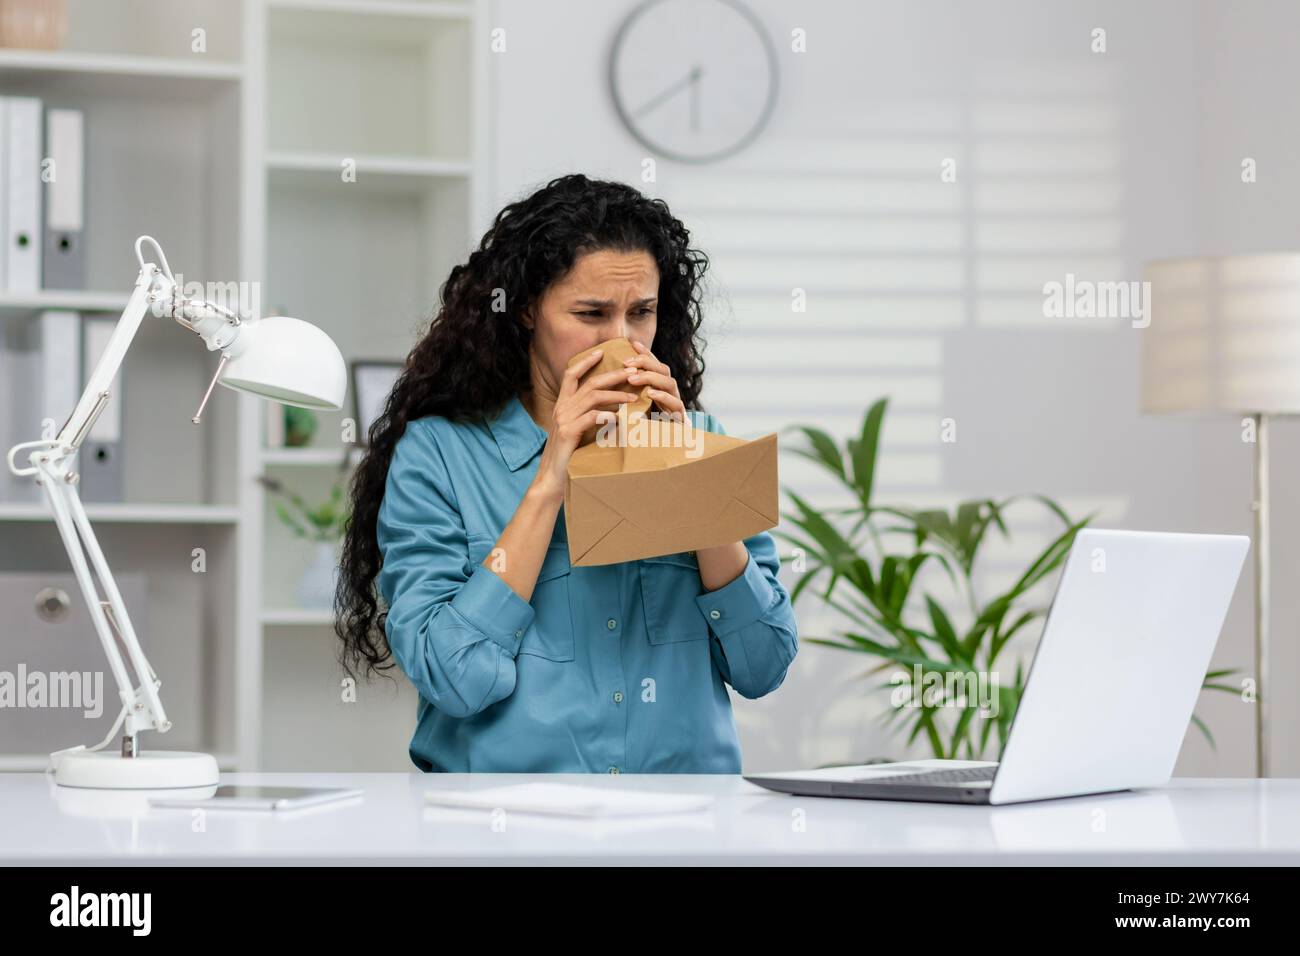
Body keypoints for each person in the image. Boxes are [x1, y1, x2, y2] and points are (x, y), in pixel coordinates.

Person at [335, 173, 798, 773]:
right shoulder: (439, 455)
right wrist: (552, 474)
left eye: (642, 313)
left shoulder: (699, 441)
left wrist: (685, 475)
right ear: (527, 309)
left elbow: (763, 665)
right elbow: (454, 680)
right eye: (591, 313)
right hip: (505, 825)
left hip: (684, 825)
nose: (622, 340)